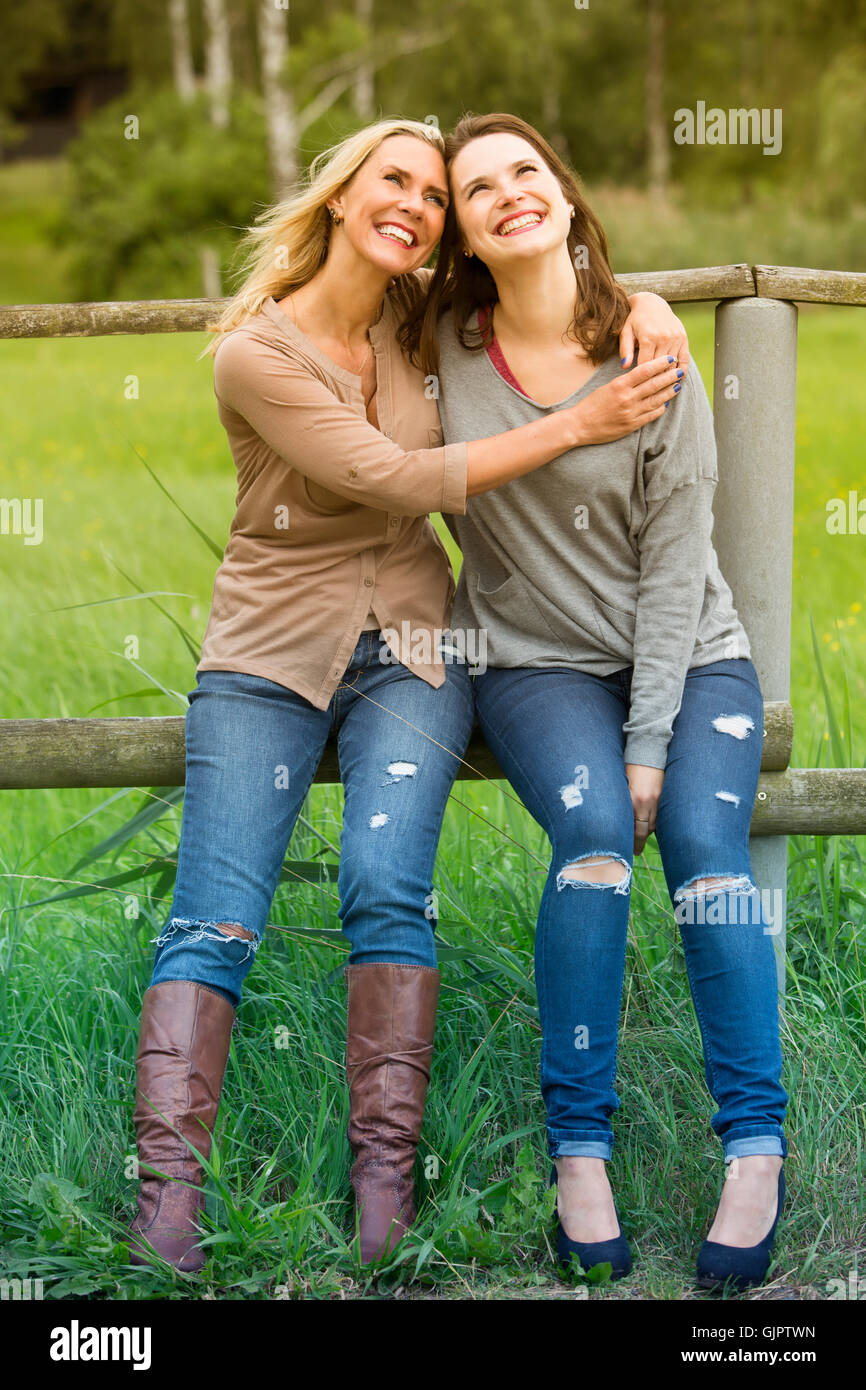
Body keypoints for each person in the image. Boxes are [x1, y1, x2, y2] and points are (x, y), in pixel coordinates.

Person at [125, 116, 689, 1273]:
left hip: (417, 648)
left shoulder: (420, 316)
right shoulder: (254, 354)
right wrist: (578, 425)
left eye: (434, 196)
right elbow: (389, 475)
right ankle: (167, 1210)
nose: (416, 207)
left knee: (387, 889)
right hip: (268, 651)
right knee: (212, 915)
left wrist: (645, 304)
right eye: (395, 181)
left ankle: (384, 1204)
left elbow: (549, 283)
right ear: (339, 195)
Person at [410, 111, 788, 1291]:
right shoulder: (440, 346)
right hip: (532, 662)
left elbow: (676, 567)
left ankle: (755, 1149)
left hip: (691, 654)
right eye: (478, 189)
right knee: (590, 838)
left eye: (526, 171)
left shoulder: (646, 349)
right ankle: (578, 1153)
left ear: (565, 195)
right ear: (464, 237)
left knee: (705, 849)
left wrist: (648, 742)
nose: (508, 194)